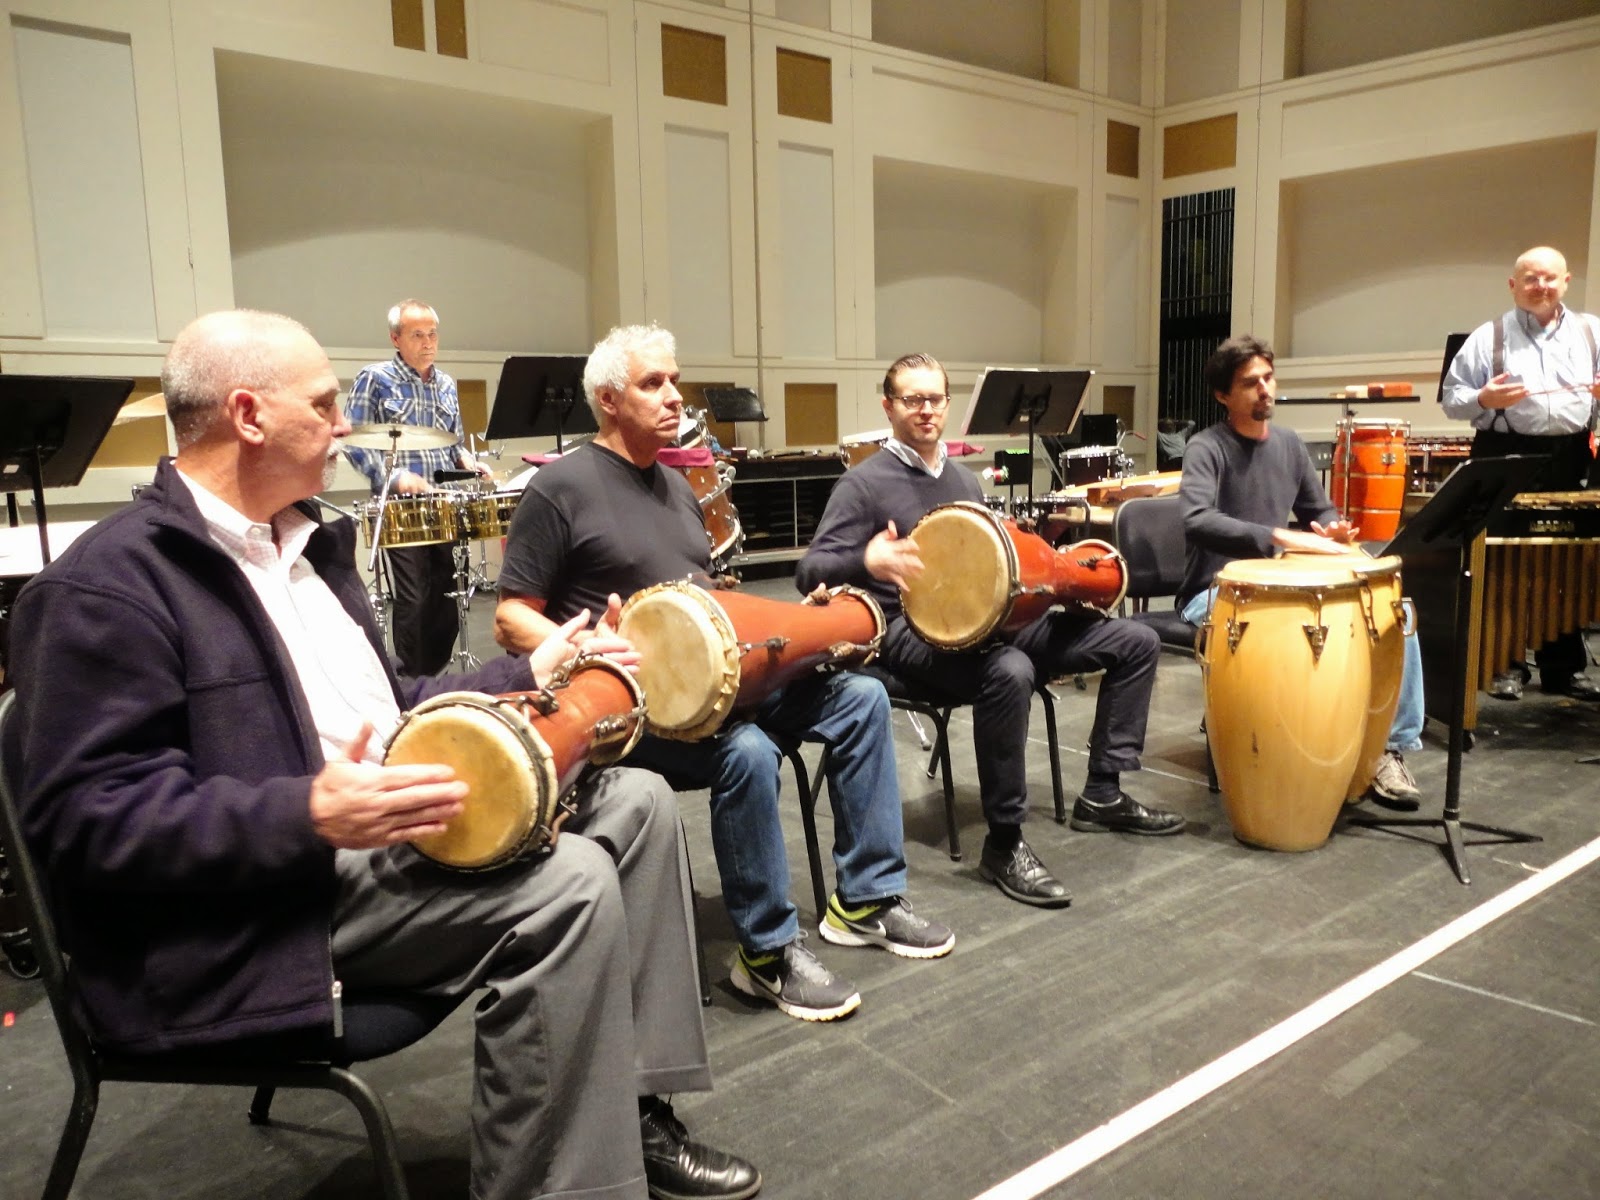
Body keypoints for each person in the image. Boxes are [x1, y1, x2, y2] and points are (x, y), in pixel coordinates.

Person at [4, 310, 758, 1200]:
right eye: (325, 405)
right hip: (265, 909)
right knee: (572, 882)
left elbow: (395, 702)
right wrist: (311, 811)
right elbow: (84, 826)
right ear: (248, 415)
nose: (347, 424)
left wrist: (536, 664)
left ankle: (639, 1111)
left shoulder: (309, 549)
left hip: (373, 839)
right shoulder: (106, 588)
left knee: (634, 801)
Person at [494, 325, 954, 1024]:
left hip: (715, 683)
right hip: (636, 706)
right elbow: (511, 619)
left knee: (860, 696)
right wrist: (590, 647)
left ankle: (863, 899)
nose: (674, 395)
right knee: (746, 751)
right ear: (609, 400)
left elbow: (707, 601)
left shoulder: (679, 488)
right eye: (654, 383)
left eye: (674, 379)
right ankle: (765, 954)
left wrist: (798, 626)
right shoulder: (559, 489)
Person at [797, 353, 1183, 911]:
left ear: (948, 405)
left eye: (935, 399)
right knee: (1010, 670)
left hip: (991, 622)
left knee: (1134, 641)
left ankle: (1102, 791)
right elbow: (810, 571)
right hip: (910, 634)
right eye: (912, 399)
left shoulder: (962, 479)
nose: (926, 410)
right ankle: (1003, 842)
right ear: (889, 406)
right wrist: (866, 558)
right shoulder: (863, 485)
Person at [1177, 334, 1426, 811]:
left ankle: (1387, 750)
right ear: (1223, 396)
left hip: (1283, 584)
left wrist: (1334, 530)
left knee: (1396, 614)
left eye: (1268, 378)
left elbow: (1321, 508)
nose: (1264, 390)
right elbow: (1196, 519)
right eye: (1250, 383)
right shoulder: (1206, 448)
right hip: (1214, 593)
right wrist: (1282, 536)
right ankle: (1292, 745)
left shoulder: (1288, 444)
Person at [1441, 245, 1600, 700]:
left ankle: (1563, 669)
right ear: (1514, 286)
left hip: (1570, 455)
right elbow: (1453, 399)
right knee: (1503, 564)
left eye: (1549, 278)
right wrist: (1483, 401)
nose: (1541, 287)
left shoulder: (1592, 332)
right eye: (1530, 279)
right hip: (1506, 454)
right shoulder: (1487, 337)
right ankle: (1503, 664)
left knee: (1564, 565)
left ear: (1566, 281)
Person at [345, 299, 491, 675]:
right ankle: (410, 680)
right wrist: (393, 479)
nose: (428, 342)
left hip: (442, 503)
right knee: (414, 597)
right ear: (396, 338)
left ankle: (434, 673)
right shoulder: (375, 378)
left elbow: (453, 442)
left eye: (432, 334)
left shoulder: (444, 384)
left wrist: (469, 463)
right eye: (417, 335)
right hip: (400, 507)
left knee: (448, 593)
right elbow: (352, 440)